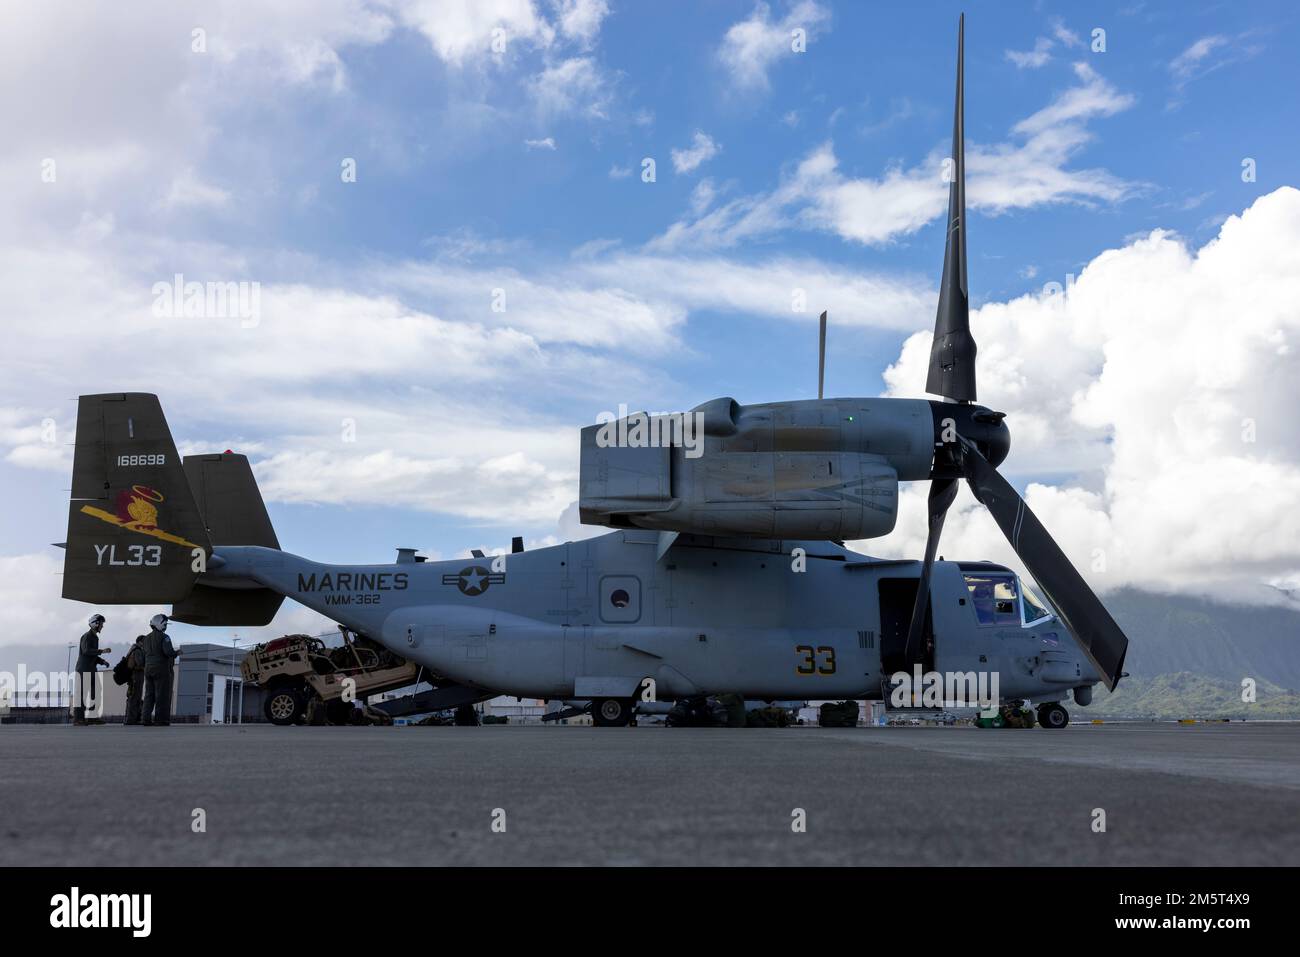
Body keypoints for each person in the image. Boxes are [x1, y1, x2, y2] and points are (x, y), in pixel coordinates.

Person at [73, 614, 111, 725]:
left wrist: (102, 661)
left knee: (96, 692)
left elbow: (92, 654)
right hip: (83, 669)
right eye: (101, 624)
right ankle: (78, 719)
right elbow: (86, 651)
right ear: (96, 623)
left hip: (91, 669)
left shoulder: (94, 637)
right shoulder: (87, 636)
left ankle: (92, 717)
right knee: (82, 694)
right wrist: (102, 651)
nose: (102, 626)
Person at [142, 614, 179, 726]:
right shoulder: (164, 637)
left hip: (148, 669)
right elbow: (168, 652)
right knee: (161, 695)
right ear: (160, 624)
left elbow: (144, 655)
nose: (166, 627)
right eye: (165, 624)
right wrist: (177, 653)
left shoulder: (146, 638)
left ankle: (145, 719)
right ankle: (161, 720)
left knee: (149, 695)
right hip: (161, 669)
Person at [124, 635, 147, 725]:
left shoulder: (134, 649)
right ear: (140, 641)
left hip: (134, 676)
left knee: (133, 697)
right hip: (136, 676)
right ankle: (131, 719)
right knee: (134, 698)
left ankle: (130, 718)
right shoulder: (137, 651)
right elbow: (140, 663)